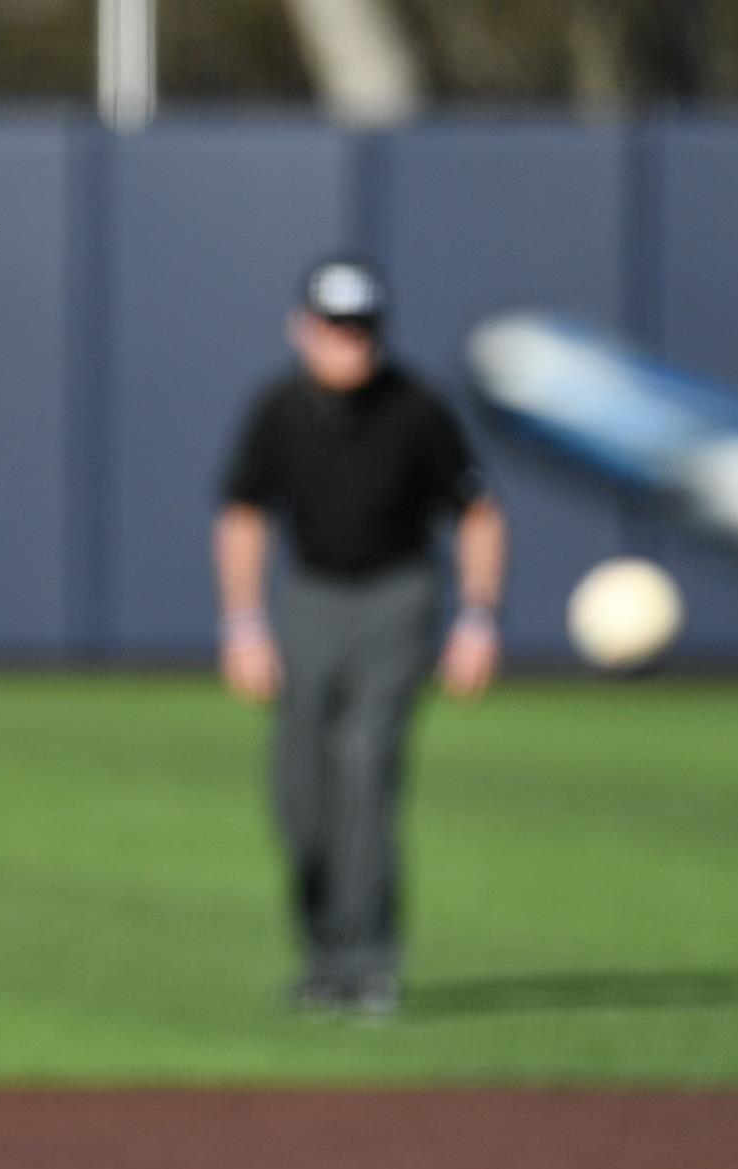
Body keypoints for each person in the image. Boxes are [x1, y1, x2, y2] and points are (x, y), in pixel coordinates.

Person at [212, 257, 509, 1019]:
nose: (351, 345)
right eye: (337, 329)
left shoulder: (415, 407)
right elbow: (244, 513)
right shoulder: (278, 408)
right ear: (303, 329)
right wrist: (244, 625)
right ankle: (325, 954)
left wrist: (477, 619)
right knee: (301, 793)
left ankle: (369, 961)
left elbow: (477, 512)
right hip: (310, 601)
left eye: (363, 330)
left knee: (364, 772)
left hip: (396, 600)